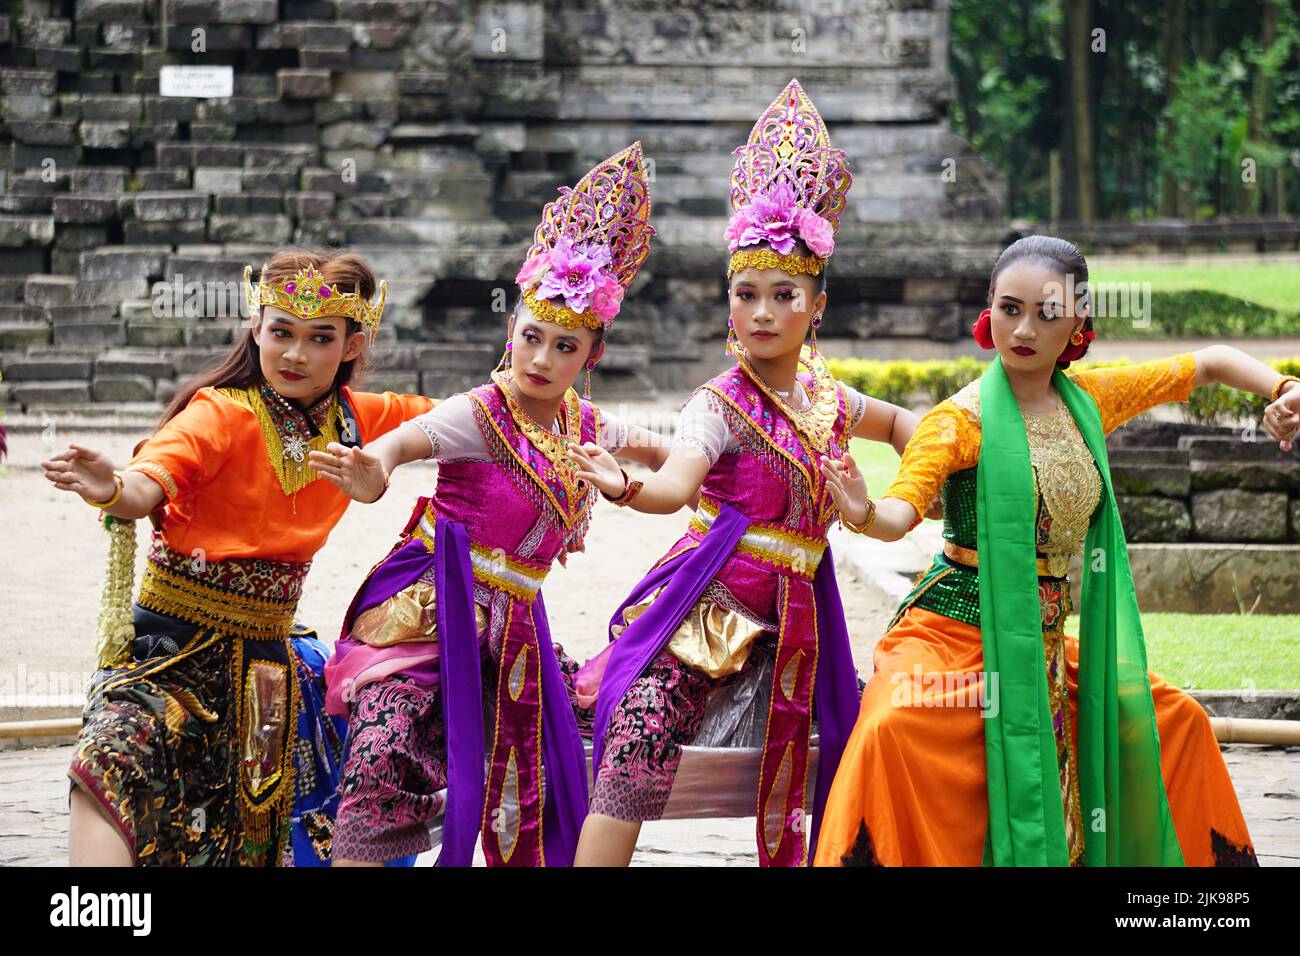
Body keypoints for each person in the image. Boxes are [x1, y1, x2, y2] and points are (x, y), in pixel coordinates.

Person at [814, 234, 1299, 866]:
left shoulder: (1091, 401)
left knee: (1176, 720)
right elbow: (903, 512)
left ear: (1078, 321)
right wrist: (862, 510)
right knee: (891, 728)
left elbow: (1207, 362)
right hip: (951, 633)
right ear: (990, 310)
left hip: (1046, 644)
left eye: (1048, 312)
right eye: (1010, 308)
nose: (1025, 328)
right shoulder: (959, 420)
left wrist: (1281, 390)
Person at [566, 79, 926, 867]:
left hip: (803, 613)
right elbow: (677, 488)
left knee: (846, 750)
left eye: (782, 294)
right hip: (713, 604)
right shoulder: (719, 403)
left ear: (816, 305)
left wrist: (900, 493)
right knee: (636, 746)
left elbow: (909, 427)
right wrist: (624, 484)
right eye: (746, 293)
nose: (761, 311)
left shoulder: (828, 395)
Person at [310, 143, 667, 867]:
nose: (540, 358)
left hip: (515, 635)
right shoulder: (479, 412)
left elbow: (668, 452)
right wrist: (368, 471)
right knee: (386, 745)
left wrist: (704, 458)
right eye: (530, 336)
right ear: (513, 331)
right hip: (428, 610)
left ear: (588, 357)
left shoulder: (587, 427)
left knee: (555, 765)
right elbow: (400, 447)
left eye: (562, 347)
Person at [42, 249, 435, 866]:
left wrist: (594, 428)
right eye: (281, 332)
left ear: (353, 345)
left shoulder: (362, 418)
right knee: (109, 763)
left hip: (267, 664)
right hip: (170, 655)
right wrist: (115, 489)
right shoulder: (220, 412)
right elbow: (152, 478)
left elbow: (478, 418)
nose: (295, 354)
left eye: (319, 338)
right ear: (256, 328)